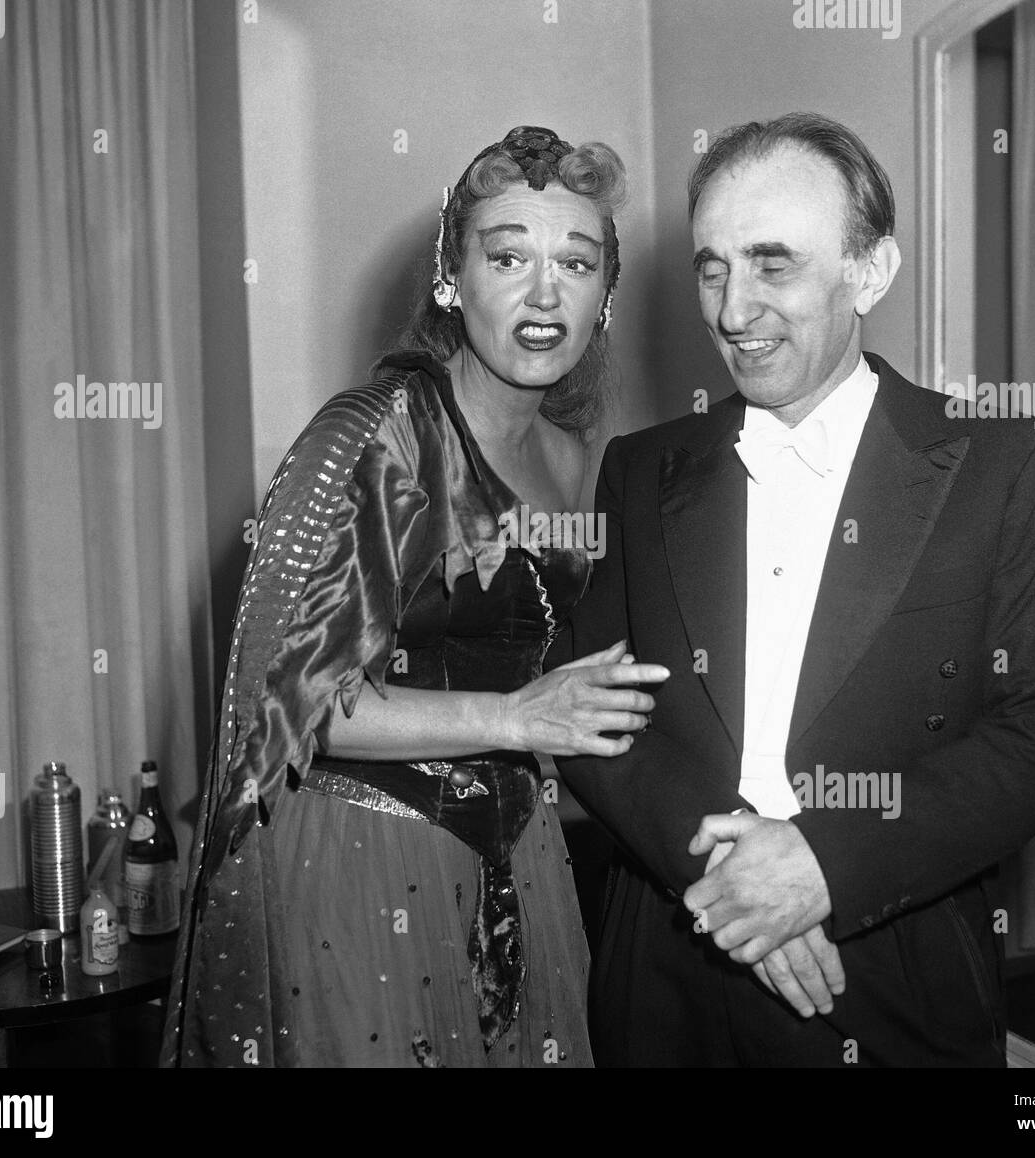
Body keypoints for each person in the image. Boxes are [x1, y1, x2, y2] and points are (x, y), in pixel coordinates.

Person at [554, 112, 1035, 1066]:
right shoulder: (640, 471)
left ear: (870, 271)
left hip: (891, 971)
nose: (733, 311)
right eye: (712, 267)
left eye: (774, 265)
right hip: (666, 975)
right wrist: (736, 885)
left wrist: (823, 866)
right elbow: (594, 716)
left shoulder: (1005, 462)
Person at [161, 126, 666, 1068]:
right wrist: (517, 717)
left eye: (577, 263)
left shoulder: (578, 461)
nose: (544, 293)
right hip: (362, 855)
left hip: (523, 857)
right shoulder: (374, 435)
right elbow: (287, 703)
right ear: (450, 277)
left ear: (605, 296)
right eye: (508, 256)